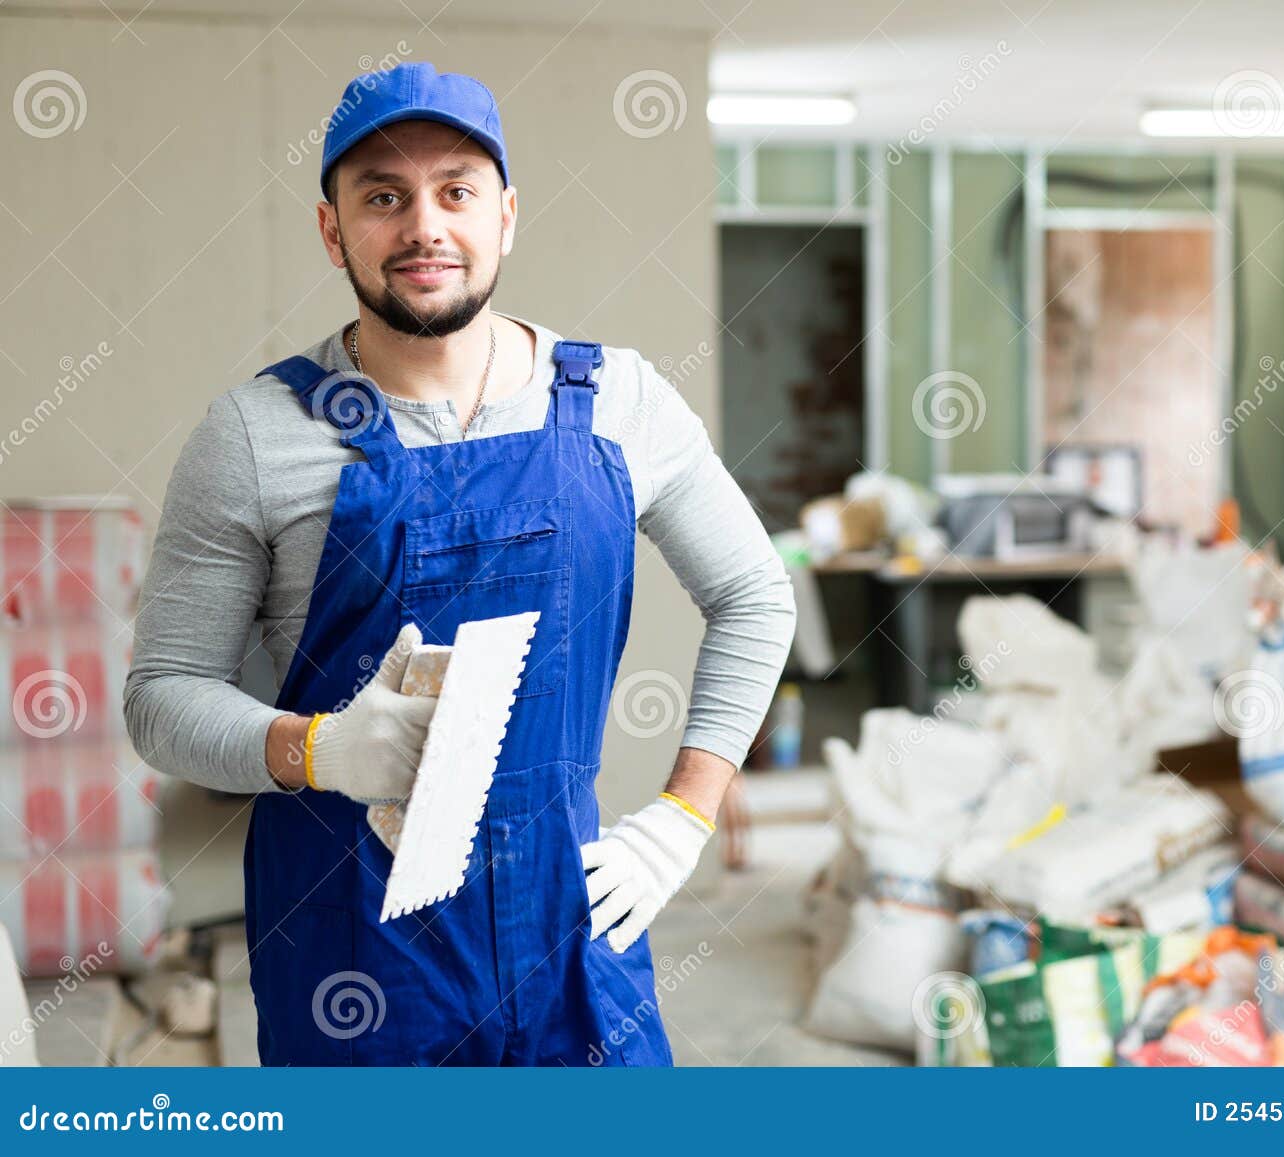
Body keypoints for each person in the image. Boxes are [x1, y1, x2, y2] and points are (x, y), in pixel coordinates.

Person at [124, 62, 796, 1066]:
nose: (423, 225)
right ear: (332, 228)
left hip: (571, 927)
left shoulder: (620, 401)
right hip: (352, 958)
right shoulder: (256, 435)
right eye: (382, 196)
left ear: (507, 214)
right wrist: (317, 748)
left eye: (455, 190)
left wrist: (683, 814)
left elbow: (754, 593)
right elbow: (162, 698)